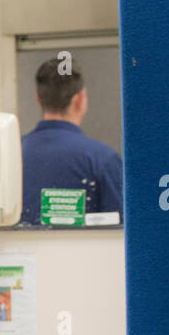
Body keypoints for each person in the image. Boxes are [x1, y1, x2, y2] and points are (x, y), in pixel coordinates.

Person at [19, 56, 124, 226]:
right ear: (80, 99)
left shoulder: (13, 155)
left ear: (38, 99)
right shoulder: (103, 160)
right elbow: (121, 233)